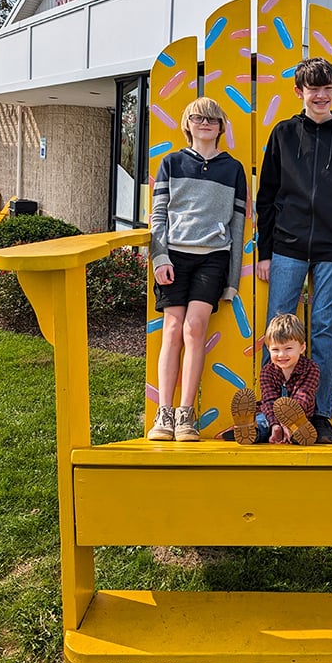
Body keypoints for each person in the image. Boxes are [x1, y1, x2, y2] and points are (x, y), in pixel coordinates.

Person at [255, 57, 332, 444]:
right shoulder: (282, 133)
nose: (320, 95)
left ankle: (319, 416)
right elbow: (265, 197)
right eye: (312, 88)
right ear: (299, 92)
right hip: (287, 245)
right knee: (278, 329)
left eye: (327, 87)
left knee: (325, 332)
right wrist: (265, 250)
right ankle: (270, 415)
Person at [147, 97, 248, 441]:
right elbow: (157, 215)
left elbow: (238, 225)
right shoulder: (171, 163)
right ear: (187, 124)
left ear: (221, 127)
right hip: (173, 256)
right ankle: (164, 413)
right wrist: (159, 258)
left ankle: (186, 415)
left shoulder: (232, 168)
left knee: (194, 329)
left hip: (213, 257)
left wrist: (232, 281)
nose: (205, 123)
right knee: (172, 330)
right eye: (198, 117)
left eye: (212, 118)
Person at [230, 313, 319, 446]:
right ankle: (250, 431)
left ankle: (294, 436)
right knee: (262, 422)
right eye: (275, 349)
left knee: (300, 426)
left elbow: (303, 397)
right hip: (269, 415)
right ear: (268, 349)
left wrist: (287, 423)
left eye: (288, 348)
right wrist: (275, 426)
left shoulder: (311, 368)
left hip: (299, 418)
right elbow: (269, 400)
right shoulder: (267, 371)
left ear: (302, 348)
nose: (281, 355)